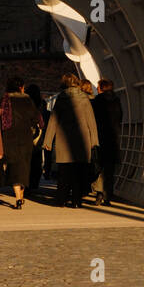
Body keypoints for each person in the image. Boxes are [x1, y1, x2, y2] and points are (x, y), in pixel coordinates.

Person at [42, 72, 99, 207]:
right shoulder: (84, 98)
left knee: (64, 173)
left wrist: (48, 141)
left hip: (64, 140)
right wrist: (94, 141)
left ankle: (61, 199)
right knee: (79, 173)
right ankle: (76, 201)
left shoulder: (61, 98)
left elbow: (53, 120)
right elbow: (91, 121)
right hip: (82, 140)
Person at [0, 77, 42, 209]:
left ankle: (18, 197)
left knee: (14, 167)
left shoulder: (5, 100)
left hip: (9, 137)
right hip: (25, 137)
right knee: (24, 166)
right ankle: (21, 195)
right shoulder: (27, 99)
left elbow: (2, 119)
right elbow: (37, 118)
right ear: (20, 87)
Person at [91, 78, 123, 205]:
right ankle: (108, 196)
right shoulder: (117, 100)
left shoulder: (97, 101)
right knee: (110, 169)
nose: (97, 89)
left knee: (99, 166)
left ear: (102, 88)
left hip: (100, 137)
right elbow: (120, 117)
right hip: (113, 138)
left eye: (98, 87)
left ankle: (99, 193)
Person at [25, 83, 48, 196]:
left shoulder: (26, 103)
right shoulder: (42, 103)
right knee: (37, 159)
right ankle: (34, 183)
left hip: (27, 132)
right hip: (39, 133)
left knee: (27, 159)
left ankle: (27, 184)